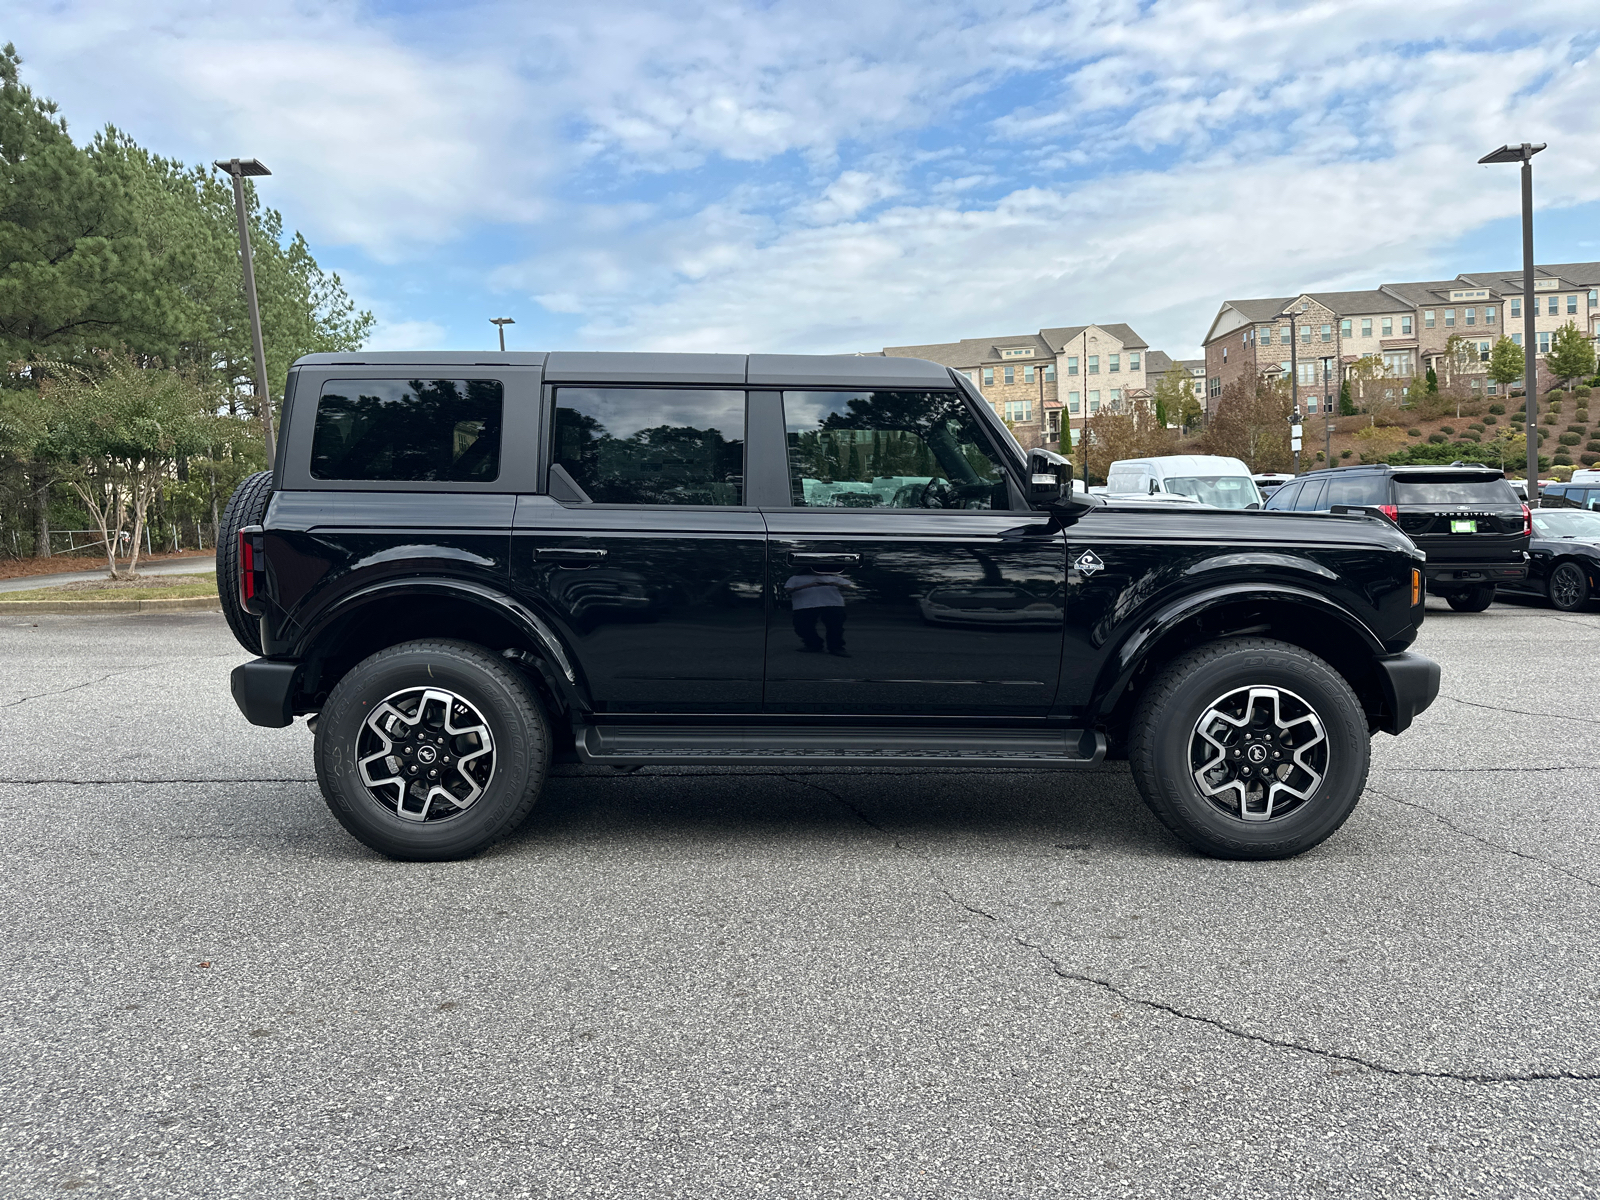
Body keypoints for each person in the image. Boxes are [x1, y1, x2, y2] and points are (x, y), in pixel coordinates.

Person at [784, 569, 855, 656]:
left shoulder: (833, 578)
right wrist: (807, 586)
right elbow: (788, 590)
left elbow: (850, 588)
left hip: (832, 604)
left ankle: (836, 647)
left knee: (835, 627)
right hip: (805, 604)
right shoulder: (796, 578)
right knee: (802, 626)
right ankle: (814, 644)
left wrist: (835, 584)